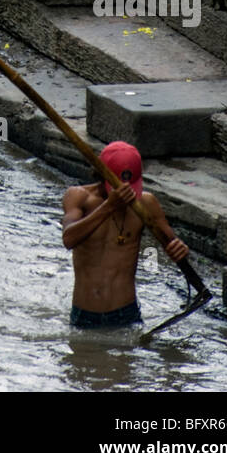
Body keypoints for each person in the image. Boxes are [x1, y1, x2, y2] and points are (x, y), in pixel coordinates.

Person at [63, 141, 190, 329]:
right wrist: (108, 207)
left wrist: (180, 249)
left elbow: (171, 244)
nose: (127, 194)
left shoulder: (145, 204)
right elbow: (68, 239)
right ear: (102, 175)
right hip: (84, 316)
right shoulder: (78, 197)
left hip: (125, 315)